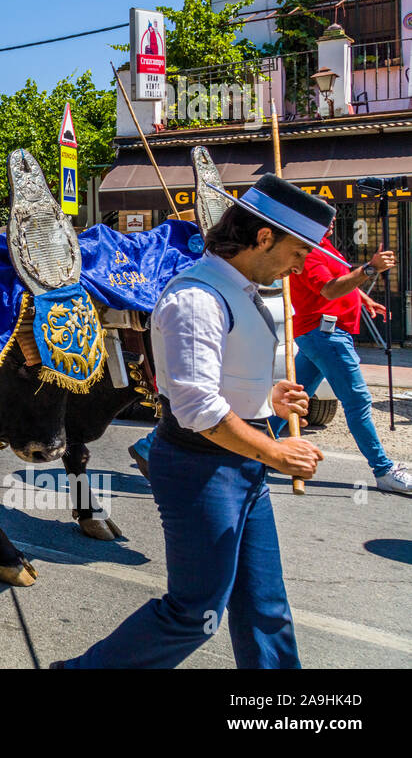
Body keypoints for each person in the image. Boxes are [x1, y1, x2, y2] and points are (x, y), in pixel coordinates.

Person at [57, 175, 327, 669]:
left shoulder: (240, 290)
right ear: (263, 237)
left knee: (265, 606)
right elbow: (198, 407)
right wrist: (277, 452)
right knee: (193, 611)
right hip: (202, 469)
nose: (301, 265)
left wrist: (267, 397)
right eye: (299, 250)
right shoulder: (197, 299)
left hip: (242, 466)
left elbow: (219, 381)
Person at [266, 220, 411, 494]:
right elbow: (329, 288)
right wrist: (370, 269)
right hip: (325, 334)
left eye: (332, 215)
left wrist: (363, 299)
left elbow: (342, 279)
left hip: (321, 334)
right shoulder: (306, 251)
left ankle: (259, 450)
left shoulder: (324, 245)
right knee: (357, 401)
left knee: (296, 396)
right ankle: (383, 470)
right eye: (324, 216)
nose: (332, 220)